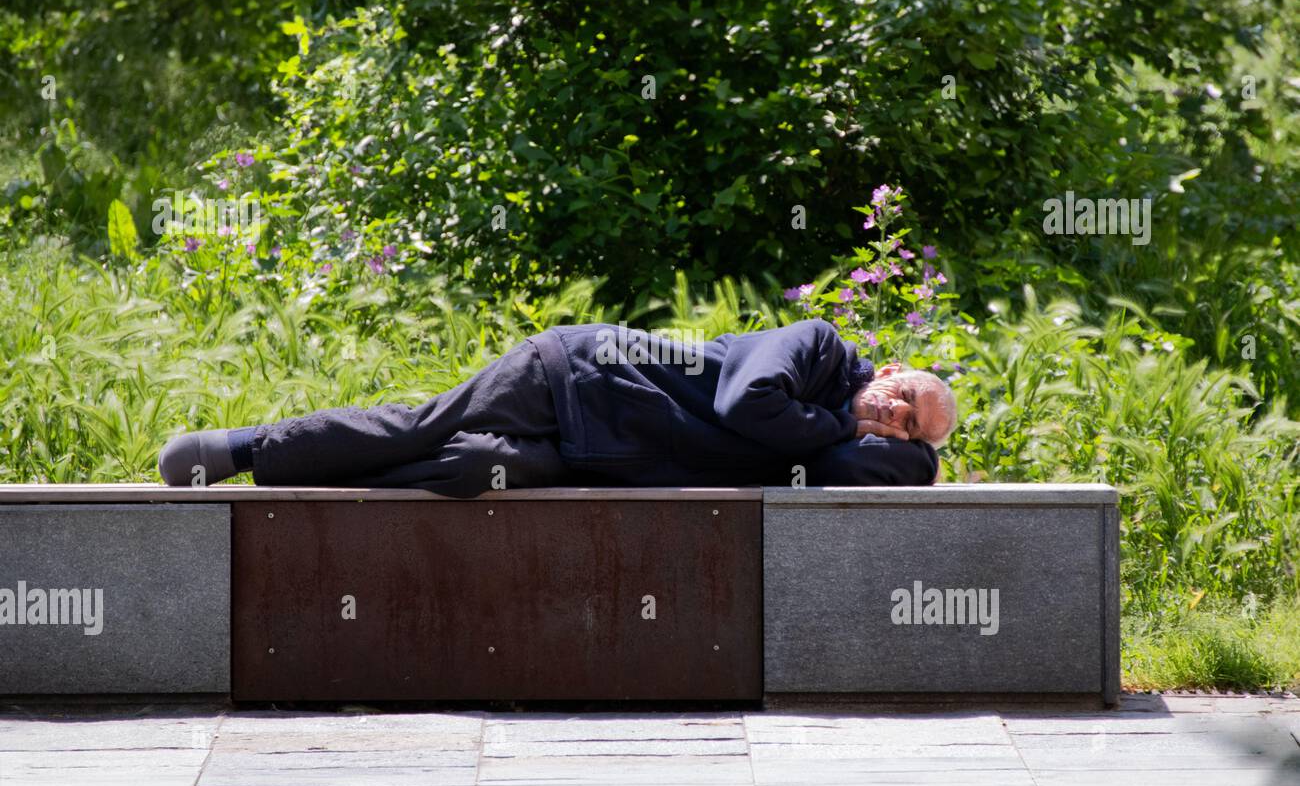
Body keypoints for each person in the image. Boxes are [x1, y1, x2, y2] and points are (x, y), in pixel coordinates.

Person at [157, 319, 957, 496]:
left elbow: (873, 469)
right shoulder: (816, 347)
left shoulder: (828, 446)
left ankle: (326, 482)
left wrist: (916, 459)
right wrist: (837, 423)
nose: (895, 413)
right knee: (422, 425)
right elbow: (746, 399)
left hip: (594, 454)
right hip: (576, 373)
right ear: (889, 367)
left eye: (911, 425)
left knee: (474, 468)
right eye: (905, 395)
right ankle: (246, 450)